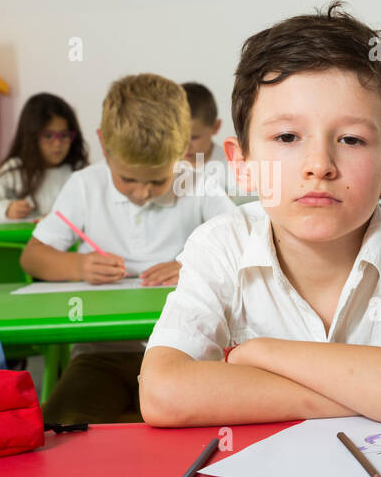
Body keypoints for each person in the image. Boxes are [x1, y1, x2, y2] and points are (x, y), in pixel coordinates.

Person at [139, 2, 381, 428]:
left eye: (352, 139)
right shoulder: (220, 244)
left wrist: (260, 354)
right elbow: (164, 394)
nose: (319, 164)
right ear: (243, 165)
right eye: (287, 136)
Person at [20, 73, 236, 424]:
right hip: (100, 356)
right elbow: (33, 257)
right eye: (128, 180)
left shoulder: (199, 184)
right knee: (56, 430)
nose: (141, 193)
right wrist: (78, 266)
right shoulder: (85, 186)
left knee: (177, 437)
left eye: (156, 180)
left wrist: (194, 269)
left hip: (184, 354)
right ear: (104, 146)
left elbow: (241, 251)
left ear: (182, 150)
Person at [0, 92, 88, 222]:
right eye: (48, 136)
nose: (57, 144)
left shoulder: (78, 171)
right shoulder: (16, 169)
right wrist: (7, 209)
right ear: (31, 138)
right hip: (24, 241)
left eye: (64, 135)